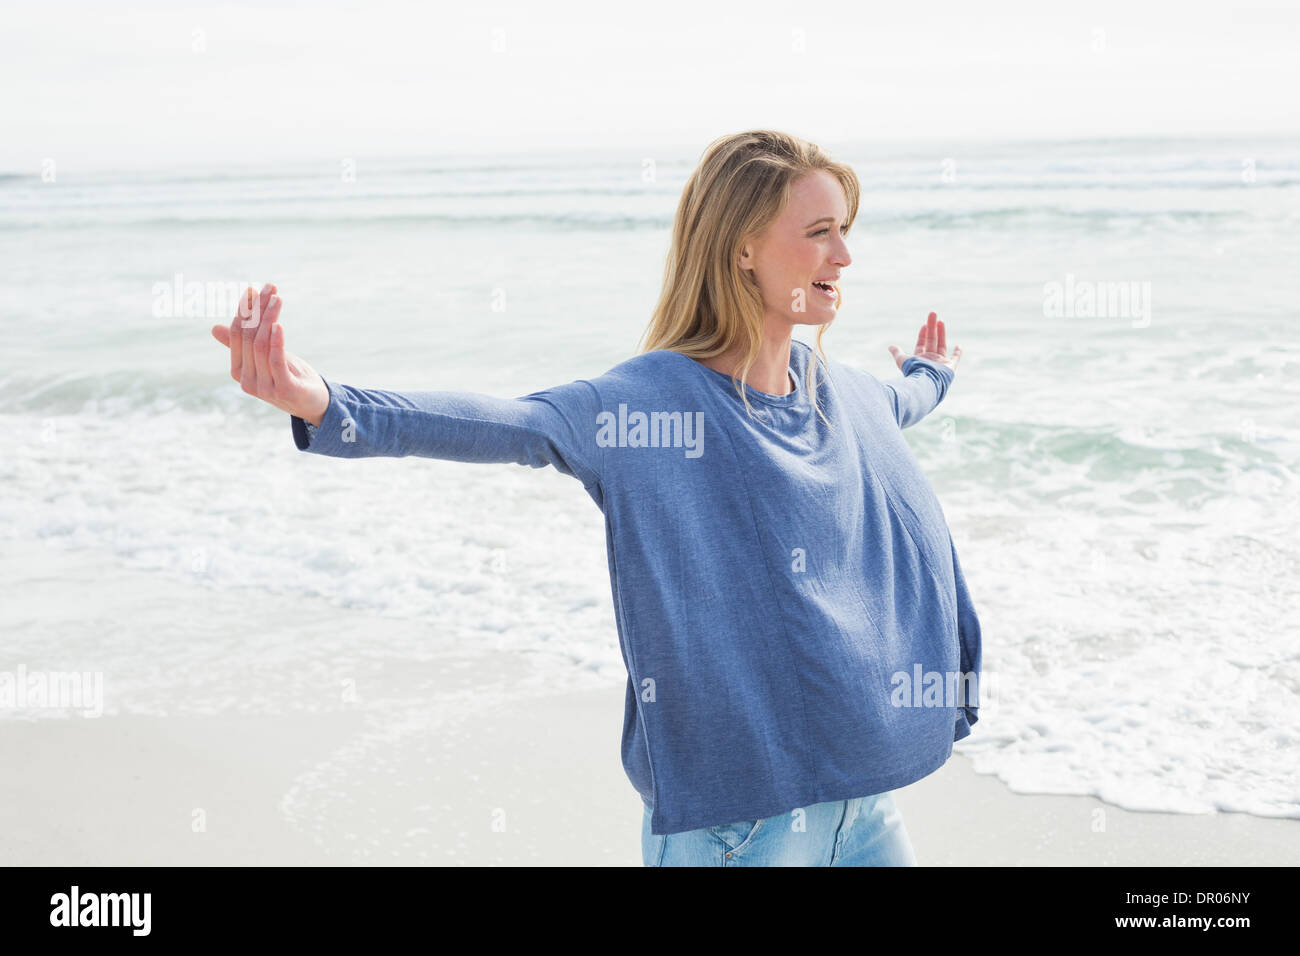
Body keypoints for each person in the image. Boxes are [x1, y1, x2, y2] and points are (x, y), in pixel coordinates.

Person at [211, 129, 980, 867]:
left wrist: (932, 371)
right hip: (738, 832)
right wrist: (325, 402)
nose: (843, 255)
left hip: (863, 806)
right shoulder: (654, 403)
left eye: (843, 231)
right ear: (742, 247)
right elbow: (517, 424)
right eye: (819, 232)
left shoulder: (840, 395)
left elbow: (901, 400)